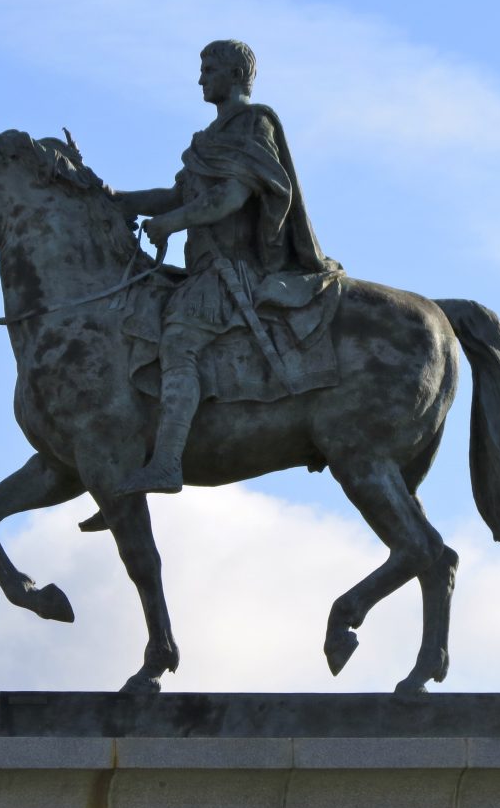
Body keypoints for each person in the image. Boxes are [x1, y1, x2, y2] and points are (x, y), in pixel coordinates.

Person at [111, 39, 337, 496]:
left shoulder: (255, 124)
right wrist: (115, 200)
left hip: (233, 270)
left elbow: (231, 197)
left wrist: (172, 224)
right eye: (202, 69)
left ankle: (168, 464)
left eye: (209, 69)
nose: (201, 78)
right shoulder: (209, 140)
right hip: (203, 270)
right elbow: (177, 196)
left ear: (236, 75)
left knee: (178, 340)